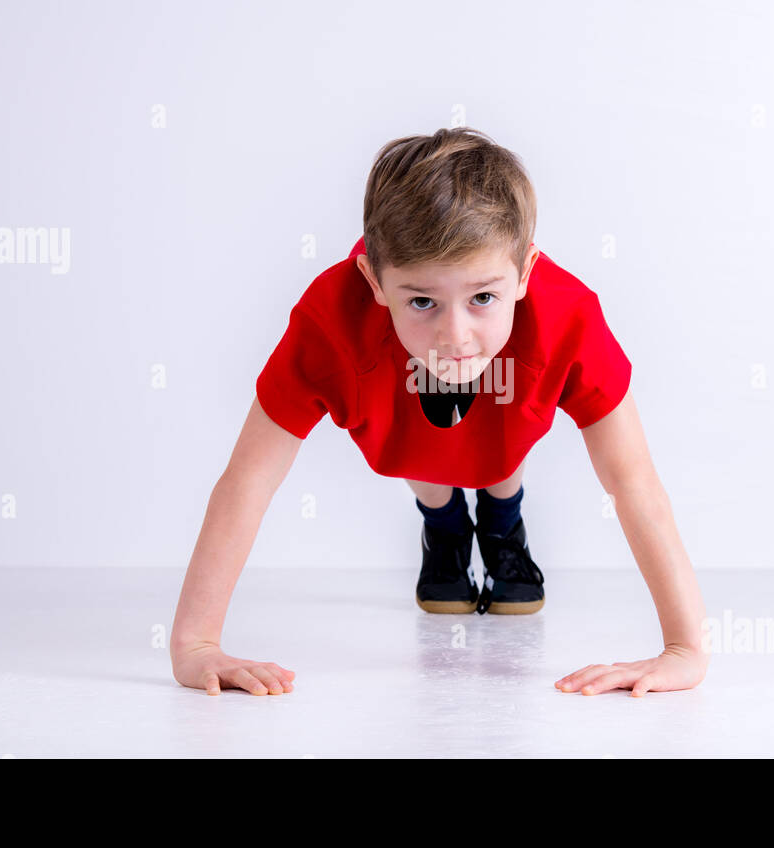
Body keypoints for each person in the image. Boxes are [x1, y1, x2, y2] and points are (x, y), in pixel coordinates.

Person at [170, 127, 708, 698]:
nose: (455, 336)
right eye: (422, 301)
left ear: (525, 273)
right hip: (404, 433)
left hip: (506, 430)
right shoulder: (329, 322)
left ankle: (504, 521)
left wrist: (685, 649)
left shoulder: (569, 316)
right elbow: (246, 482)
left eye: (483, 298)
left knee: (498, 437)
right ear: (374, 281)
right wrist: (196, 644)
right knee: (426, 443)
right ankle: (445, 524)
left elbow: (634, 483)